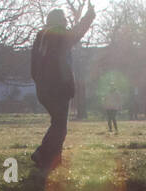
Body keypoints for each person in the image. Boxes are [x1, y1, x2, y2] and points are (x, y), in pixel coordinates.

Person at [29, 4, 95, 171]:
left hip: (43, 89)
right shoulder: (58, 35)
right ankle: (42, 153)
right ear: (59, 21)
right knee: (60, 126)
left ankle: (55, 160)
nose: (66, 22)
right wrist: (89, 15)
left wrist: (39, 82)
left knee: (57, 124)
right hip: (58, 87)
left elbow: (33, 66)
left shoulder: (41, 37)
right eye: (64, 19)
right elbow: (77, 33)